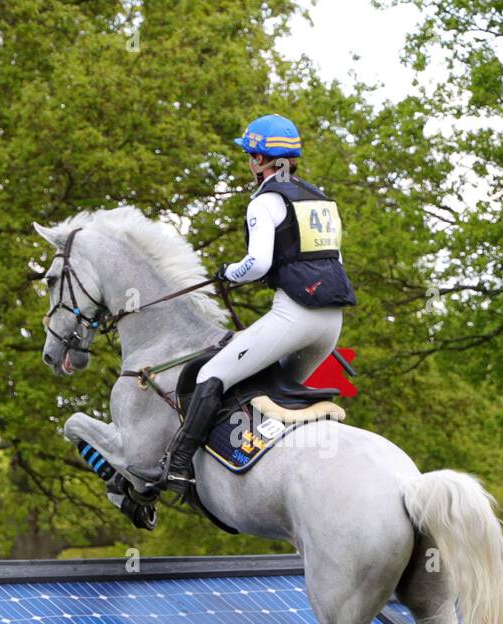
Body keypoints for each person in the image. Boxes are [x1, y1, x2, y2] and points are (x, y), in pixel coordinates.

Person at [134, 114, 355, 492]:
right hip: (330, 325)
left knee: (210, 376)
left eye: (250, 156)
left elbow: (259, 264)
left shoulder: (266, 200)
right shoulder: (320, 199)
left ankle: (179, 467)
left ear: (257, 159)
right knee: (266, 385)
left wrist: (229, 272)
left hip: (295, 317)